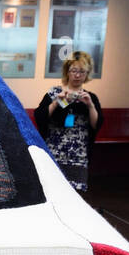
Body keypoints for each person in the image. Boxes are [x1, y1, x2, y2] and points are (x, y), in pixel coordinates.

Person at [34, 51, 102, 193]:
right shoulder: (54, 93)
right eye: (74, 71)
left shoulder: (91, 97)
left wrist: (90, 105)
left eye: (82, 71)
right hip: (54, 152)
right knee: (51, 192)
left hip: (78, 156)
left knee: (76, 195)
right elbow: (39, 117)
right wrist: (56, 102)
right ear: (67, 72)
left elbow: (96, 124)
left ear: (87, 74)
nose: (77, 75)